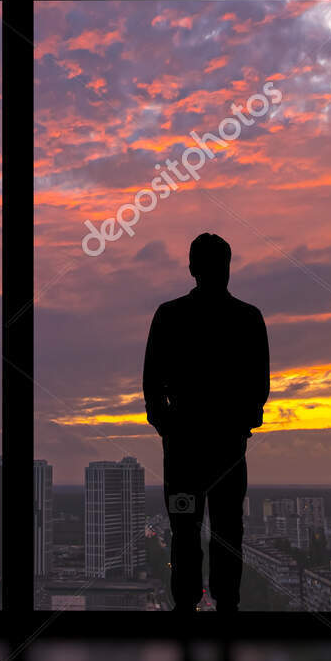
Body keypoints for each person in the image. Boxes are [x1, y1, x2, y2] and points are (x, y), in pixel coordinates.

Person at [142, 232, 270, 612]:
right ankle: (213, 606)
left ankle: (205, 605)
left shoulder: (175, 315)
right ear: (196, 268)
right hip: (211, 446)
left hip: (196, 447)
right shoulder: (244, 317)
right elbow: (257, 385)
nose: (219, 271)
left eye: (222, 263)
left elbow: (258, 386)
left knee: (201, 530)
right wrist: (171, 426)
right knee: (207, 530)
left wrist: (169, 425)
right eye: (215, 263)